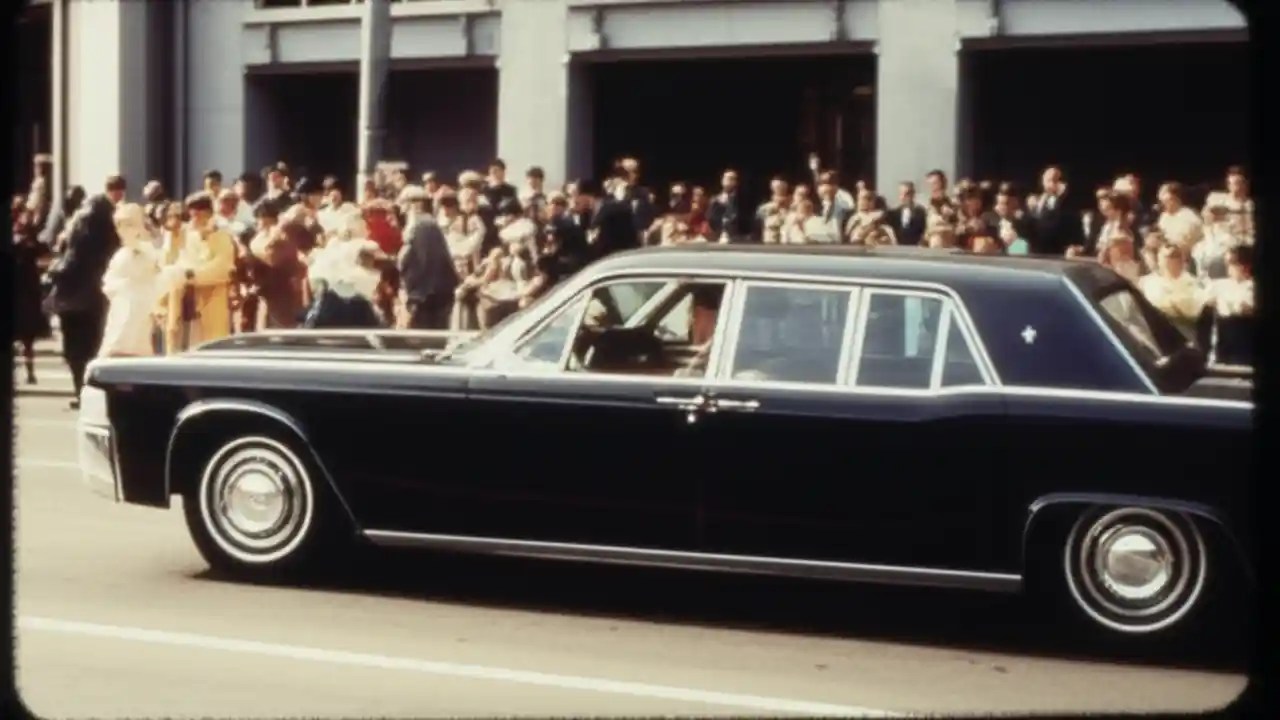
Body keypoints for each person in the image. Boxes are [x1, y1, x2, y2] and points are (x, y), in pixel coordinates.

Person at [44, 194, 119, 408]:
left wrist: (53, 272)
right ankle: (94, 393)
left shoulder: (79, 234)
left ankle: (80, 391)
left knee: (75, 351)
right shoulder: (112, 237)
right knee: (94, 347)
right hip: (99, 300)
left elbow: (69, 265)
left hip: (73, 301)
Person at [158, 192, 237, 352]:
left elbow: (223, 269)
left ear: (209, 213)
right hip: (182, 302)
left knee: (209, 349)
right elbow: (167, 263)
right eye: (192, 214)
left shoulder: (222, 237)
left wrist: (191, 275)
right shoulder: (182, 236)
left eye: (200, 213)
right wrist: (169, 235)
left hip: (210, 301)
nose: (196, 219)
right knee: (179, 348)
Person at [98, 203, 161, 358]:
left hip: (140, 305)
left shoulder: (148, 250)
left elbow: (155, 276)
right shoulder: (120, 254)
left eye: (129, 225)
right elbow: (108, 281)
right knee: (117, 340)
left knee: (137, 342)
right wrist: (120, 287)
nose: (123, 230)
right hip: (121, 305)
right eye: (120, 225)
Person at [398, 212, 459, 330]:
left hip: (418, 303)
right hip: (442, 303)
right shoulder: (444, 260)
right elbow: (453, 280)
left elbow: (406, 276)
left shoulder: (413, 256)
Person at [13, 207, 52, 384]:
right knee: (27, 338)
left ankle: (29, 371)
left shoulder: (31, 243)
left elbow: (46, 260)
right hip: (27, 293)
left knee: (27, 338)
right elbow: (46, 261)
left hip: (26, 294)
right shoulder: (32, 243)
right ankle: (29, 371)